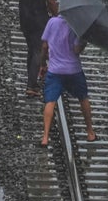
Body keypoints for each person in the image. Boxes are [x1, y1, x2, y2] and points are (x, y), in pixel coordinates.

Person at [38, 15, 97, 145]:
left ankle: (45, 137)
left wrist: (43, 64)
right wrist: (84, 41)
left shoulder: (52, 22)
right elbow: (76, 50)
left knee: (50, 101)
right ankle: (90, 132)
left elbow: (44, 47)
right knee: (83, 98)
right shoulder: (77, 26)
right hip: (73, 70)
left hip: (55, 70)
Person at [12, 0, 57, 96]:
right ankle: (31, 85)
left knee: (31, 49)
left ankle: (31, 81)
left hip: (24, 17)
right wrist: (57, 15)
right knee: (38, 49)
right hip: (39, 18)